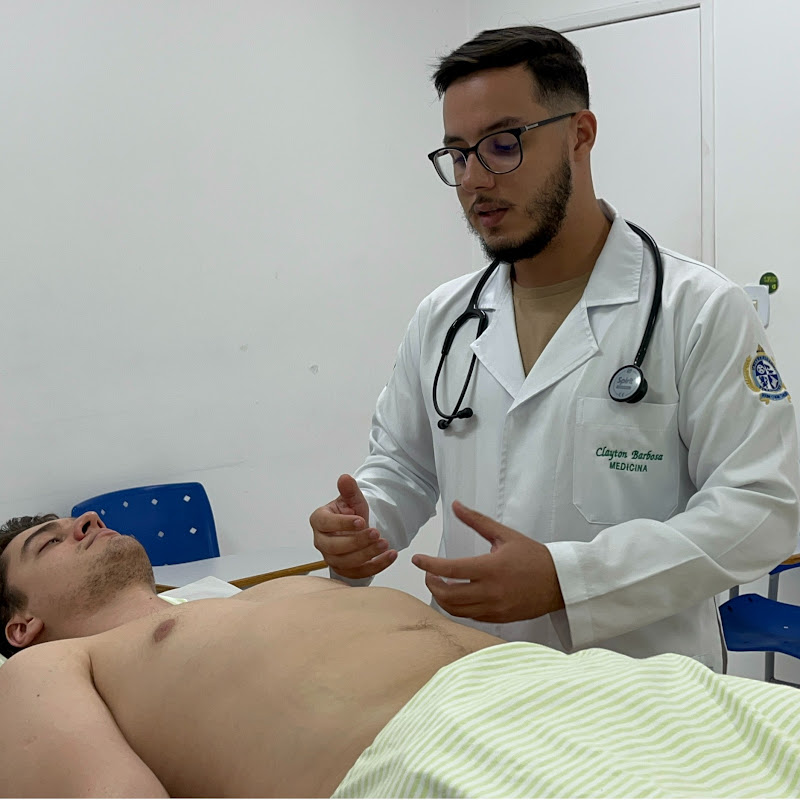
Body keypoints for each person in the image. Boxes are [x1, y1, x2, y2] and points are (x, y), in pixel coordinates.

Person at [309, 25, 800, 672]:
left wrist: (571, 580)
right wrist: (364, 523)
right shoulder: (443, 319)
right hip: (475, 681)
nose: (475, 180)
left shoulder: (697, 310)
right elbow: (404, 467)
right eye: (458, 155)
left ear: (580, 135)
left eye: (503, 144)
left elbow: (762, 507)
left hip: (638, 697)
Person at [4, 512, 800, 799]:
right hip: (445, 754)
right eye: (51, 541)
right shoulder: (47, 671)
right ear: (21, 625)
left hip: (605, 692)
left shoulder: (242, 601)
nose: (86, 522)